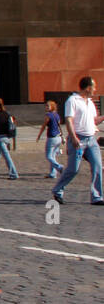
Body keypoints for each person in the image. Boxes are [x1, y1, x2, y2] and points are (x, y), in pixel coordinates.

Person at [52, 76, 104, 206]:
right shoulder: (72, 100)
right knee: (73, 169)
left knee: (97, 166)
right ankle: (57, 190)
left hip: (91, 140)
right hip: (78, 139)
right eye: (94, 86)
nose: (95, 89)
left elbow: (93, 121)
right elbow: (69, 120)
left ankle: (97, 196)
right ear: (88, 88)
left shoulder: (90, 103)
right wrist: (73, 137)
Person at [36, 100, 65, 179]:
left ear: (52, 106)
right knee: (53, 156)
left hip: (52, 138)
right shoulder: (57, 115)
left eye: (48, 106)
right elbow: (59, 125)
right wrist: (62, 135)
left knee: (48, 156)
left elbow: (44, 126)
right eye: (46, 106)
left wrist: (39, 135)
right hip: (58, 137)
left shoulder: (48, 115)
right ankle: (53, 173)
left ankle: (59, 167)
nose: (46, 107)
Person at [0, 98, 19, 179]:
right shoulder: (7, 113)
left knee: (6, 156)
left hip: (0, 136)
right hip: (7, 137)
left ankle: (14, 174)